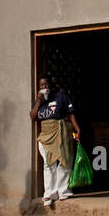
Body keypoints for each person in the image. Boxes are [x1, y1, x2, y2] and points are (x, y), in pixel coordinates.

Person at [32, 76, 81, 207]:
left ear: (50, 85)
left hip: (60, 133)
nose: (44, 88)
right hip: (45, 136)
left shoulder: (60, 96)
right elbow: (32, 116)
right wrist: (39, 100)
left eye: (46, 85)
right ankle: (49, 193)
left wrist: (77, 130)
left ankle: (63, 191)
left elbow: (70, 114)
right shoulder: (39, 101)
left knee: (64, 161)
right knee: (49, 164)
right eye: (41, 86)